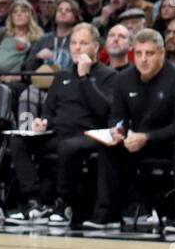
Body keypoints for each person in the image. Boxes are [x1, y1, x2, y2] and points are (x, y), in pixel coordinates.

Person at [87, 29, 175, 234]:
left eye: (150, 53)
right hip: (148, 138)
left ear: (162, 54)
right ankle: (106, 216)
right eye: (139, 54)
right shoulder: (123, 79)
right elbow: (117, 116)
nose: (143, 59)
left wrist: (146, 137)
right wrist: (117, 130)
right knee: (109, 147)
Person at [7, 23, 116, 225]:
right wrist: (42, 123)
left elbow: (105, 111)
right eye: (74, 43)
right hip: (59, 133)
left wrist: (84, 77)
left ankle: (63, 203)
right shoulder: (62, 75)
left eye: (83, 43)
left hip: (90, 135)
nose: (77, 48)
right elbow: (49, 109)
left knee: (68, 146)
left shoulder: (108, 76)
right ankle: (34, 202)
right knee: (18, 140)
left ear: (95, 48)